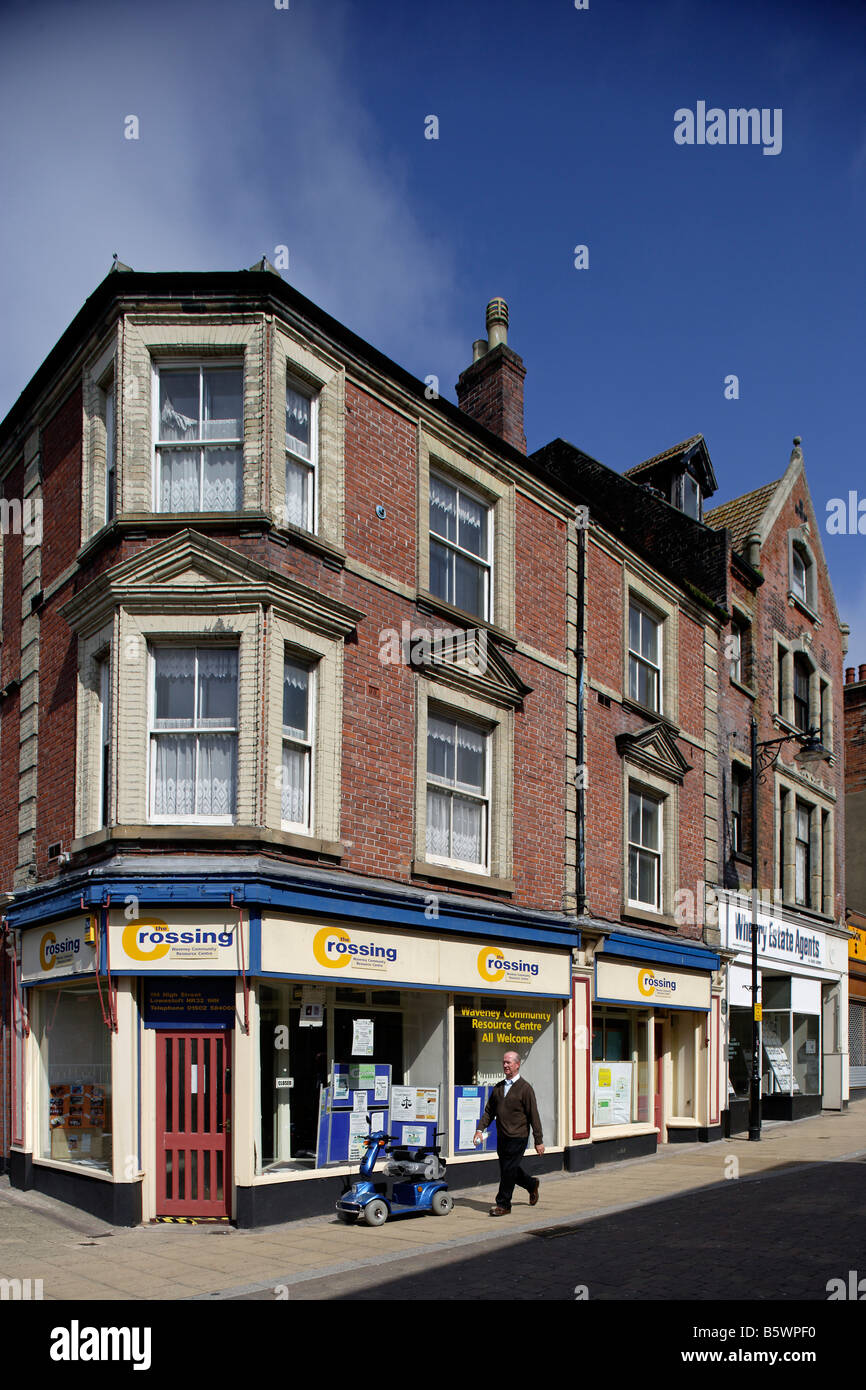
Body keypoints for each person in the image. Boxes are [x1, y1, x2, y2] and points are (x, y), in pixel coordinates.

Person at [473, 1050, 544, 1216]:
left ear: (517, 1065)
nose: (505, 1065)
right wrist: (479, 1129)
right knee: (508, 1169)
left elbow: (534, 1115)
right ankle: (531, 1184)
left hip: (518, 1136)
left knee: (508, 1170)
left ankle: (503, 1204)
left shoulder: (525, 1089)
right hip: (502, 1136)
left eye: (509, 1062)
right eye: (504, 1062)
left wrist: (538, 1140)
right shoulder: (498, 1088)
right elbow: (489, 1112)